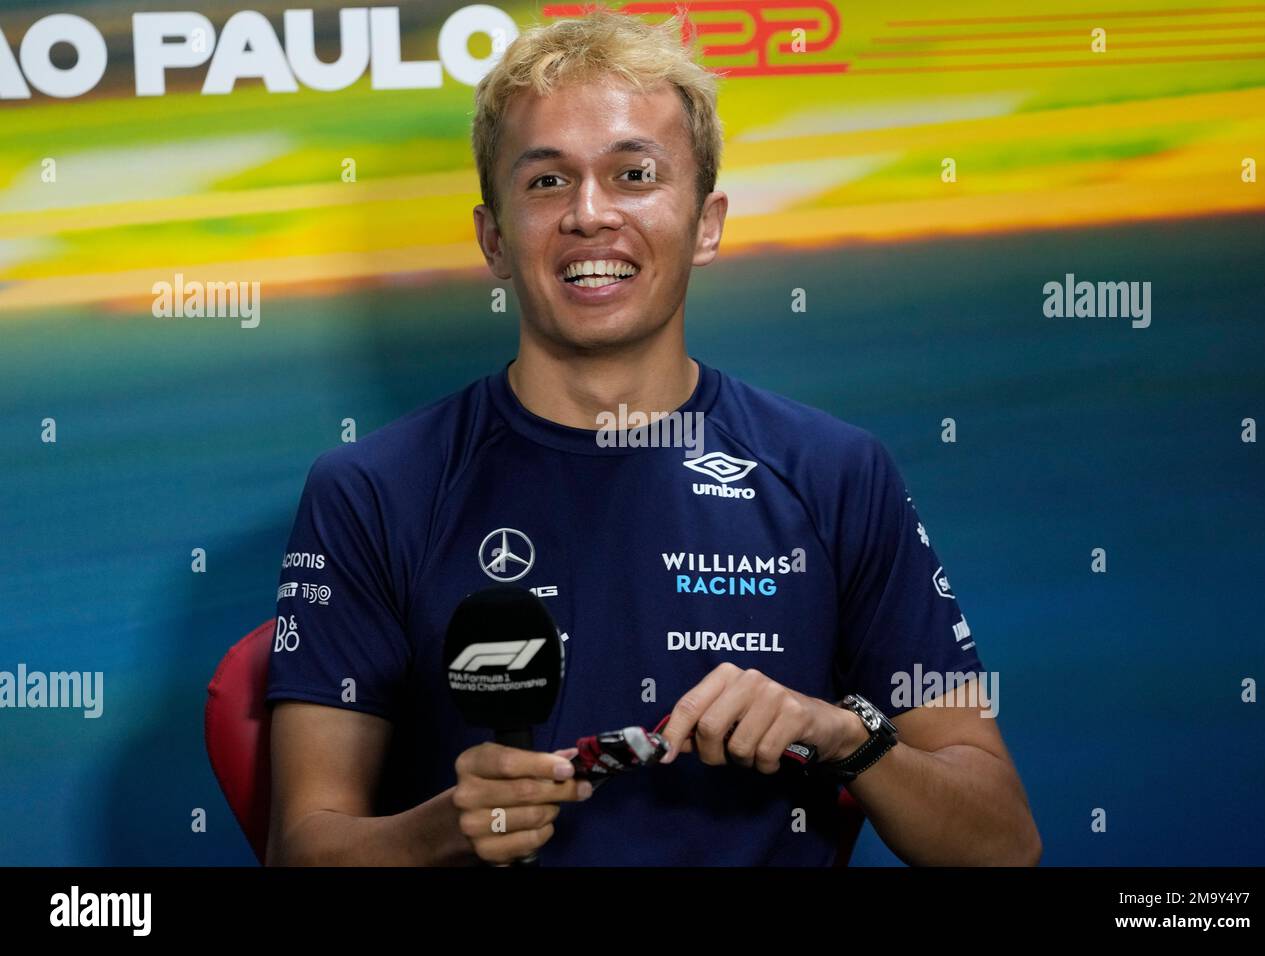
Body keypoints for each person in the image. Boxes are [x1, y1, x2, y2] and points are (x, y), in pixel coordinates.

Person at [264, 10, 1040, 867]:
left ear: (707, 223)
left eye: (634, 174)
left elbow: (1002, 845)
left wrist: (846, 734)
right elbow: (303, 847)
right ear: (492, 240)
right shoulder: (371, 490)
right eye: (547, 183)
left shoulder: (835, 474)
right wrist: (443, 830)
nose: (591, 216)